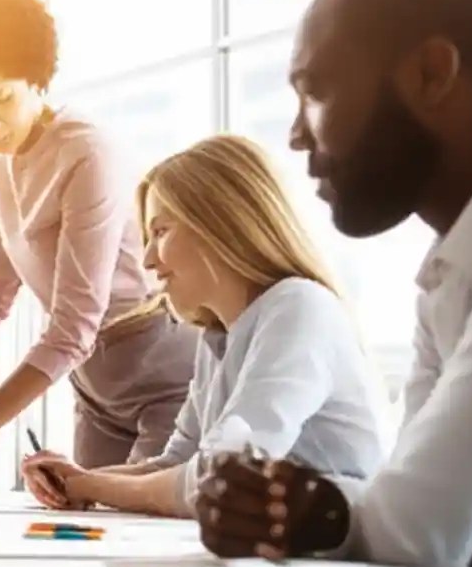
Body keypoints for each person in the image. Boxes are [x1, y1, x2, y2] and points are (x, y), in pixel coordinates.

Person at [196, 0, 472, 567]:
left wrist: (301, 511)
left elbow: (425, 529)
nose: (297, 133)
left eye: (316, 90)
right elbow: (412, 502)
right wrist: (295, 504)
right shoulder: (449, 270)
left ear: (430, 74)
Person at [0, 0, 197, 488]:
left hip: (159, 372)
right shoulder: (11, 163)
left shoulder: (85, 153)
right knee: (87, 534)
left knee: (137, 528)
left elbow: (72, 326)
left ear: (36, 79)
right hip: (93, 382)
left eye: (3, 98)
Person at [20, 135, 384, 517]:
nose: (147, 260)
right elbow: (178, 464)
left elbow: (222, 475)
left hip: (345, 559)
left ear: (219, 224)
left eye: (160, 232)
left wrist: (92, 485)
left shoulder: (299, 308)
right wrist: (75, 480)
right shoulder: (219, 337)